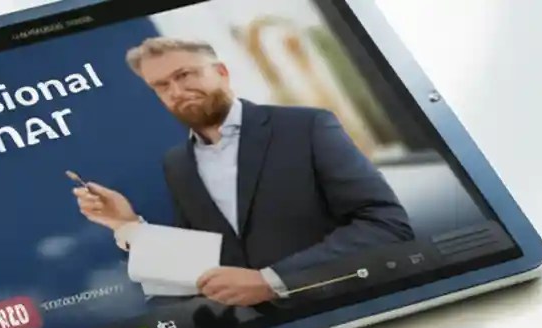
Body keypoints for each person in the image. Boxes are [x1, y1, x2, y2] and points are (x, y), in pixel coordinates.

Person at [74, 37, 414, 307]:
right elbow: (203, 265)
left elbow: (386, 224)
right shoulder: (177, 163)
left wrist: (273, 280)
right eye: (161, 86)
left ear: (221, 72)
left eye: (184, 75)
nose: (176, 91)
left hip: (351, 313)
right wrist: (127, 225)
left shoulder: (306, 126)